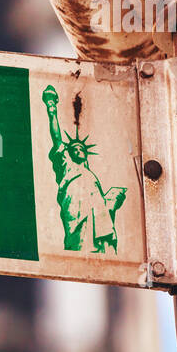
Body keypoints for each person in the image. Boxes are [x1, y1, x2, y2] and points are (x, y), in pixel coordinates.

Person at [42, 85, 126, 253]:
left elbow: (105, 208)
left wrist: (112, 199)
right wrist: (52, 109)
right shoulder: (66, 164)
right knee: (79, 242)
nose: (79, 150)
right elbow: (57, 138)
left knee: (101, 247)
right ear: (69, 153)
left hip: (96, 213)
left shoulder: (90, 175)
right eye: (75, 148)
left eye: (82, 148)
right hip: (74, 204)